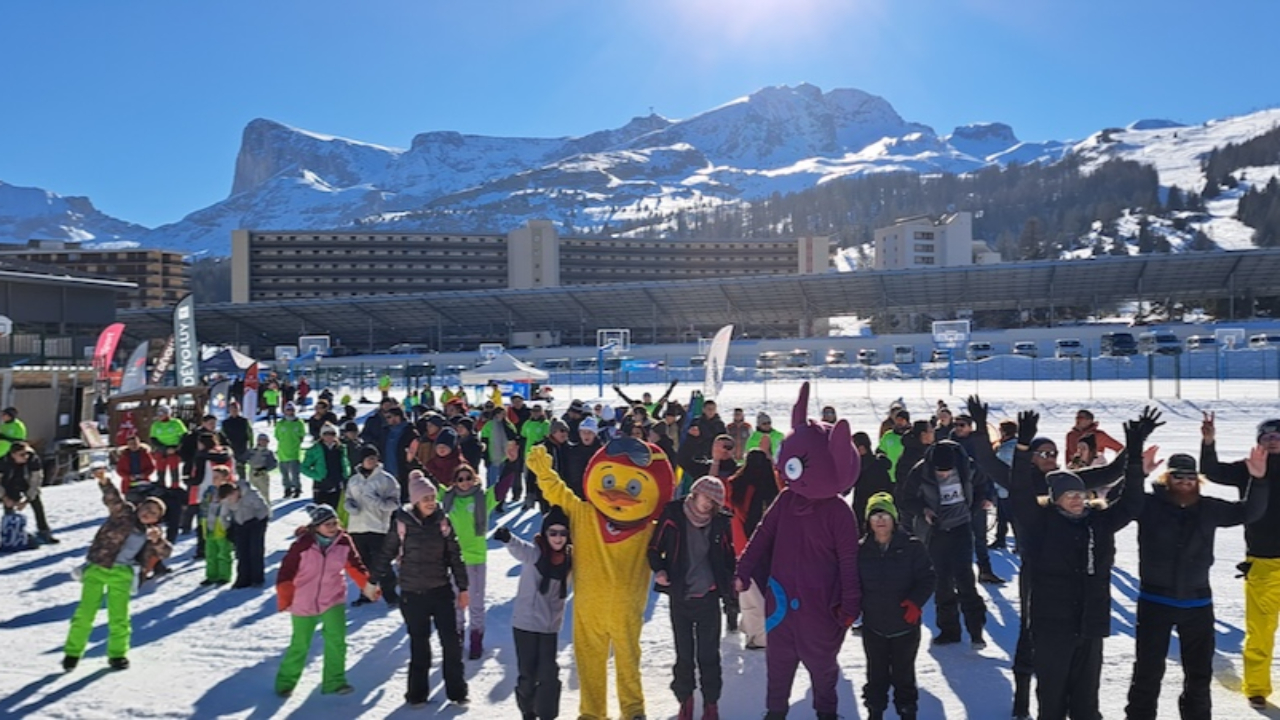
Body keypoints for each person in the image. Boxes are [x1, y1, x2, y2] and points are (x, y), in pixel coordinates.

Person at [1010, 406, 1159, 720]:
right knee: (1051, 699)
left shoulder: (1099, 521)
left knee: (1086, 701)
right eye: (1068, 495)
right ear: (1055, 499)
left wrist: (1133, 454)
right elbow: (1020, 492)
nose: (1077, 499)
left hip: (1090, 623)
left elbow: (1132, 503)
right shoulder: (1040, 523)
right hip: (1052, 626)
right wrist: (1023, 448)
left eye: (1079, 493)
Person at [526, 434, 676, 720]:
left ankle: (632, 709)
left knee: (628, 660)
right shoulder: (584, 516)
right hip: (589, 610)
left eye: (634, 486)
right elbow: (559, 494)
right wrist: (544, 472)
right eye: (609, 482)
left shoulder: (650, 529)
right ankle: (592, 712)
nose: (618, 493)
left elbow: (675, 544)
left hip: (626, 611)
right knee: (589, 660)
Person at [734, 383, 861, 720]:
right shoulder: (786, 500)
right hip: (780, 602)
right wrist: (743, 569)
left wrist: (850, 603)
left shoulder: (839, 512)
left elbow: (849, 562)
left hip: (820, 607)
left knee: (822, 669)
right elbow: (762, 535)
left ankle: (826, 714)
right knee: (778, 668)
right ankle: (775, 713)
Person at [1126, 450, 1269, 720]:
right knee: (1147, 672)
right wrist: (1137, 473)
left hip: (1198, 603)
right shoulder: (1148, 505)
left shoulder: (1209, 508)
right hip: (1155, 601)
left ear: (1198, 480)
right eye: (1178, 476)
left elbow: (1250, 511)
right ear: (1168, 478)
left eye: (1191, 477)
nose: (1185, 482)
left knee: (1199, 675)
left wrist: (1259, 481)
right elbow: (1117, 501)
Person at [1199, 413, 1280, 709]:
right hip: (1263, 563)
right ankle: (1257, 687)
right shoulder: (1248, 469)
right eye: (1266, 437)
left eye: (1276, 436)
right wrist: (1208, 442)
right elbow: (1210, 470)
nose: (1272, 441)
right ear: (1258, 442)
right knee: (1260, 630)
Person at [372, 473, 470, 708]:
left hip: (441, 591)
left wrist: (463, 587)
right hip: (412, 593)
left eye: (433, 497)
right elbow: (386, 552)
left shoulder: (443, 521)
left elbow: (455, 556)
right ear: (415, 500)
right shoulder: (402, 522)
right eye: (425, 498)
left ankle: (457, 692)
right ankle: (417, 694)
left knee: (451, 643)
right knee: (420, 645)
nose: (430, 502)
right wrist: (373, 580)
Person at [61, 468, 171, 671]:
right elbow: (113, 499)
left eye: (154, 513)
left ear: (157, 519)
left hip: (122, 574)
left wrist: (158, 541)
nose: (148, 513)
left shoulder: (151, 534)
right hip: (98, 567)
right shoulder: (124, 514)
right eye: (146, 508)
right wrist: (104, 481)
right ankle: (72, 652)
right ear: (139, 507)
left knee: (118, 616)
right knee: (85, 613)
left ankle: (117, 654)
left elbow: (166, 553)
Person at [648, 476, 736, 720]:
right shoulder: (674, 513)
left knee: (709, 655)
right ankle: (685, 702)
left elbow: (729, 557)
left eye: (713, 501)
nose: (708, 504)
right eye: (706, 498)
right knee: (683, 654)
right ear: (695, 493)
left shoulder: (720, 522)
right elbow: (654, 548)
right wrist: (660, 570)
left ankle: (711, 705)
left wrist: (732, 584)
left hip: (708, 597)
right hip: (680, 595)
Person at [275, 503, 377, 697]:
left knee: (337, 641)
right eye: (328, 524)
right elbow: (286, 572)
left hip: (333, 598)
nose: (333, 527)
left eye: (335, 523)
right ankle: (285, 682)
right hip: (304, 600)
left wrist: (367, 585)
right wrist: (285, 595)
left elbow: (356, 565)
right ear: (316, 527)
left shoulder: (343, 541)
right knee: (300, 644)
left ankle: (334, 681)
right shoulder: (302, 545)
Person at [896, 439, 988, 648]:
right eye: (940, 472)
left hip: (962, 527)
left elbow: (983, 483)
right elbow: (906, 499)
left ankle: (976, 630)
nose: (944, 475)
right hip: (936, 531)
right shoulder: (920, 471)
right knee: (942, 581)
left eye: (948, 472)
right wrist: (924, 510)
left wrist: (982, 500)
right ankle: (949, 630)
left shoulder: (967, 466)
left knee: (965, 578)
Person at [859, 492, 935, 720]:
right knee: (876, 675)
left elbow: (928, 578)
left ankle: (907, 712)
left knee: (904, 675)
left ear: (894, 519)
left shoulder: (912, 547)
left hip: (905, 625)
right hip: (874, 626)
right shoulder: (860, 551)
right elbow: (852, 584)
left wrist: (915, 602)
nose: (880, 520)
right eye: (874, 516)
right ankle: (875, 712)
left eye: (884, 515)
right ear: (868, 522)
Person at [493, 507, 573, 720]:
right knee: (528, 674)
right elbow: (520, 549)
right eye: (553, 533)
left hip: (549, 626)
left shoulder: (569, 559)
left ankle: (547, 715)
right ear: (545, 534)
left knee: (548, 674)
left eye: (563, 533)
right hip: (526, 624)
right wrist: (508, 537)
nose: (558, 538)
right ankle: (528, 712)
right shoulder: (536, 553)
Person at [442, 462, 515, 659]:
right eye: (460, 479)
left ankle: (476, 641)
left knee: (476, 603)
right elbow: (427, 479)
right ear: (454, 482)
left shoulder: (482, 498)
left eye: (468, 478)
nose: (465, 483)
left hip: (476, 559)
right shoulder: (448, 498)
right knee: (457, 602)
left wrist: (513, 462)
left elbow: (502, 487)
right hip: (455, 560)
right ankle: (457, 639)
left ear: (474, 478)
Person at [722, 449, 782, 644]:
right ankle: (769, 631)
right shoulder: (775, 485)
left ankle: (754, 634)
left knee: (749, 593)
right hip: (772, 546)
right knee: (770, 591)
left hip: (743, 544)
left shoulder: (735, 485)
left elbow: (725, 501)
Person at [344, 445, 402, 608]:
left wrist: (377, 502)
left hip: (378, 527)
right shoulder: (354, 480)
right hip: (356, 526)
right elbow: (347, 498)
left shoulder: (386, 479)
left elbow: (394, 503)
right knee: (363, 564)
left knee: (381, 563)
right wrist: (349, 507)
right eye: (368, 458)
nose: (371, 461)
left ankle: (391, 595)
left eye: (374, 458)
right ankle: (366, 593)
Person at [0, 441, 57, 544]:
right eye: (22, 455)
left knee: (37, 503)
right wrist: (4, 497)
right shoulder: (3, 462)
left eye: (26, 453)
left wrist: (27, 500)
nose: (25, 456)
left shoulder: (33, 459)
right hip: (8, 484)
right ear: (13, 455)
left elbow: (36, 480)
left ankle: (44, 532)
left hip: (26, 482)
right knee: (9, 505)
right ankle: (10, 533)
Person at [218, 473, 270, 589]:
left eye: (230, 498)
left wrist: (258, 523)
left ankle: (257, 578)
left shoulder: (251, 495)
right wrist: (227, 529)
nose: (230, 501)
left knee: (255, 550)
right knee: (241, 552)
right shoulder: (227, 501)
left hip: (256, 522)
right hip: (239, 524)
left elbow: (263, 509)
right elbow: (223, 516)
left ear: (235, 492)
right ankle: (243, 578)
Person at [200, 466, 237, 587]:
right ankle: (211, 575)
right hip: (209, 524)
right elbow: (203, 505)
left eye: (217, 477)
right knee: (210, 552)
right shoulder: (209, 491)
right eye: (213, 477)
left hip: (222, 524)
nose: (214, 479)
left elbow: (233, 508)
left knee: (223, 552)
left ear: (225, 478)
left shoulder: (229, 490)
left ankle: (224, 575)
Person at [302, 423, 350, 512]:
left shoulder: (341, 448)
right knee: (321, 513)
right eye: (326, 434)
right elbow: (304, 467)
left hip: (337, 484)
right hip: (321, 486)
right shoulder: (315, 449)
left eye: (332, 434)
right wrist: (318, 476)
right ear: (321, 435)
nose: (329, 437)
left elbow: (345, 463)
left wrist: (345, 474)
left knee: (334, 512)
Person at [148, 404, 187, 489]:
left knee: (174, 470)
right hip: (161, 449)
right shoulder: (155, 425)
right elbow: (153, 439)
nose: (160, 416)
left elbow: (184, 435)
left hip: (174, 449)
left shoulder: (176, 422)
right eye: (159, 414)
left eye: (163, 413)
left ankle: (175, 487)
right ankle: (161, 487)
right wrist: (164, 449)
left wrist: (177, 448)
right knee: (160, 470)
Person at [275, 402, 306, 499]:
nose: (290, 412)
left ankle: (297, 488)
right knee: (284, 474)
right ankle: (287, 489)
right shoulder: (280, 423)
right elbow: (277, 436)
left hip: (294, 453)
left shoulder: (299, 422)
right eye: (288, 410)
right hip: (282, 453)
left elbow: (302, 436)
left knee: (295, 473)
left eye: (291, 410)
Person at [244, 433, 278, 506]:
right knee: (252, 493)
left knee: (264, 494)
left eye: (265, 440)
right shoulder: (252, 451)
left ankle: (267, 511)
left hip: (263, 474)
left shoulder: (268, 453)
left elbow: (274, 464)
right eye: (261, 440)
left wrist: (265, 469)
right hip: (252, 472)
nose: (263, 442)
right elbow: (243, 458)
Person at [222, 400, 252, 478]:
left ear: (239, 410)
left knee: (241, 467)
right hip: (230, 448)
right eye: (232, 409)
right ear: (229, 410)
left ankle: (242, 482)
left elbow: (250, 434)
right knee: (230, 467)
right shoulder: (225, 423)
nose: (234, 411)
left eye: (236, 409)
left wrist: (251, 445)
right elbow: (222, 435)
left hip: (242, 447)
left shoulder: (244, 421)